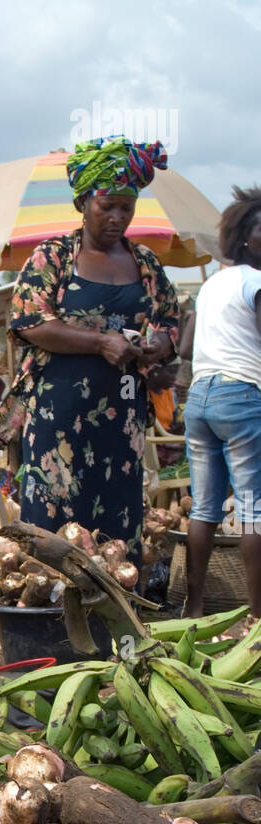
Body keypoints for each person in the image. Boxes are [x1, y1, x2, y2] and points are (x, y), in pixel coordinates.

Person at [0, 136, 179, 564]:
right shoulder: (53, 257)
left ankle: (113, 608)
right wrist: (101, 343)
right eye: (106, 205)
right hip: (60, 411)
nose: (117, 217)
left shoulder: (147, 263)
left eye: (126, 208)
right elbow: (30, 322)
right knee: (56, 507)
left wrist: (156, 347)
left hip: (125, 408)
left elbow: (168, 320)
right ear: (82, 202)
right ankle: (53, 608)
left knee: (120, 504)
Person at [184, 186, 261, 619]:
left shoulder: (213, 284)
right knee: (254, 509)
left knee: (204, 507)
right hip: (241, 395)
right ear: (246, 238)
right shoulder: (257, 282)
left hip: (200, 397)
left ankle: (193, 607)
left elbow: (183, 347)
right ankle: (257, 617)